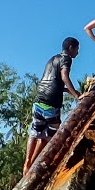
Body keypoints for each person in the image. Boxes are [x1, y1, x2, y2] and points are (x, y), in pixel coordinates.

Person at [22, 37, 81, 176]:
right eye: (77, 49)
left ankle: (27, 163)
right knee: (47, 136)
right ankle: (33, 165)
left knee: (35, 131)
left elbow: (51, 81)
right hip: (51, 103)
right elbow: (64, 77)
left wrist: (67, 90)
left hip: (39, 98)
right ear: (71, 48)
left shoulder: (52, 59)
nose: (77, 53)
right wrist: (77, 96)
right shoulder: (66, 58)